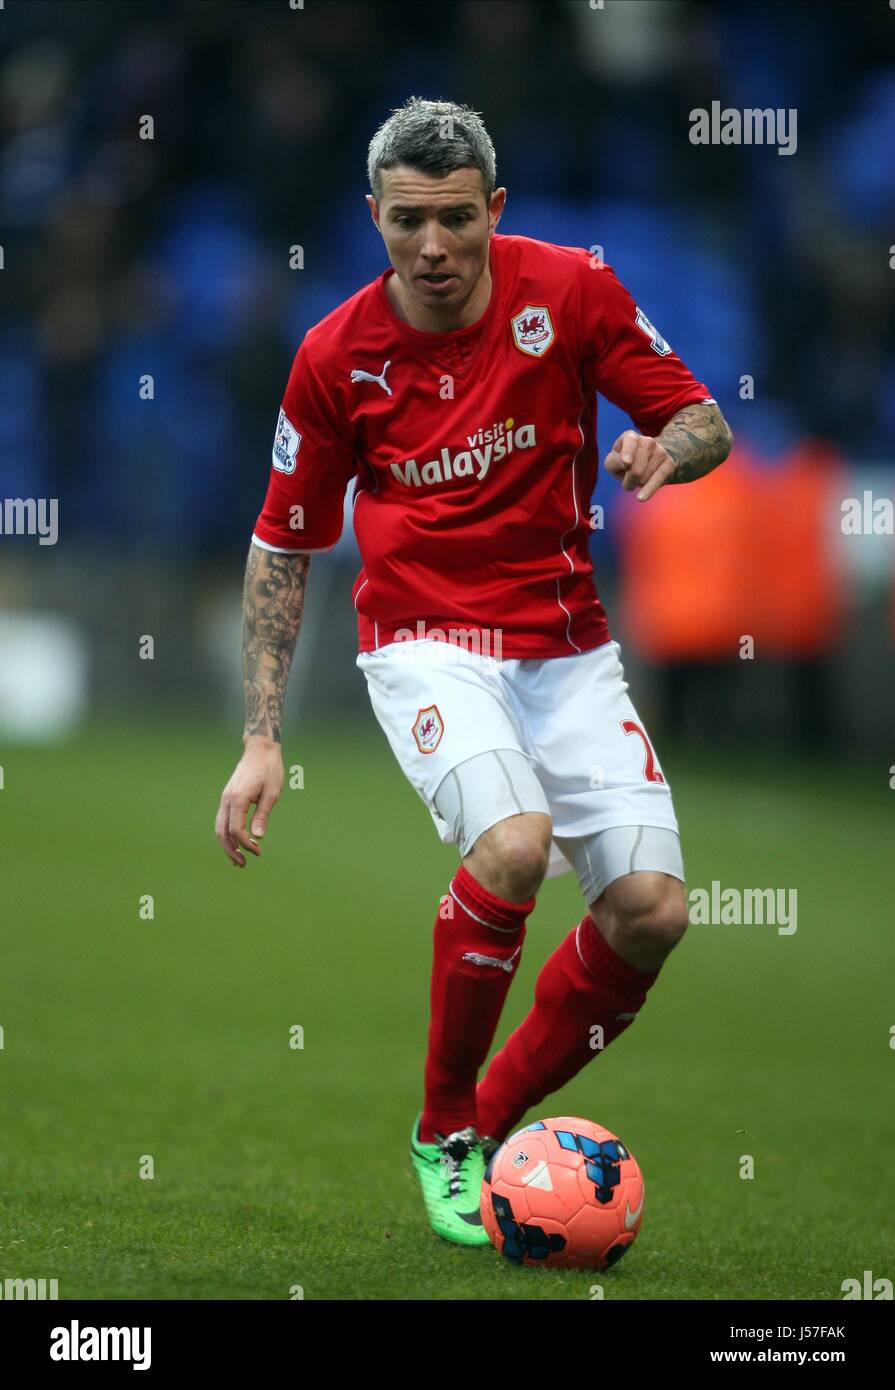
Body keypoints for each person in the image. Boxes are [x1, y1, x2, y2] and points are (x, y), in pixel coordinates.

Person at [214, 97, 733, 1246]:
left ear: (494, 210)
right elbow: (283, 547)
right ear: (375, 217)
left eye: (456, 220)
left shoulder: (573, 293)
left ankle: (489, 1120)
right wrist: (262, 734)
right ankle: (445, 1130)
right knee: (511, 845)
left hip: (568, 645)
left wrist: (662, 449)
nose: (433, 248)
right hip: (424, 643)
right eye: (408, 222)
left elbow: (703, 418)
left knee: (650, 913)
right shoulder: (334, 356)